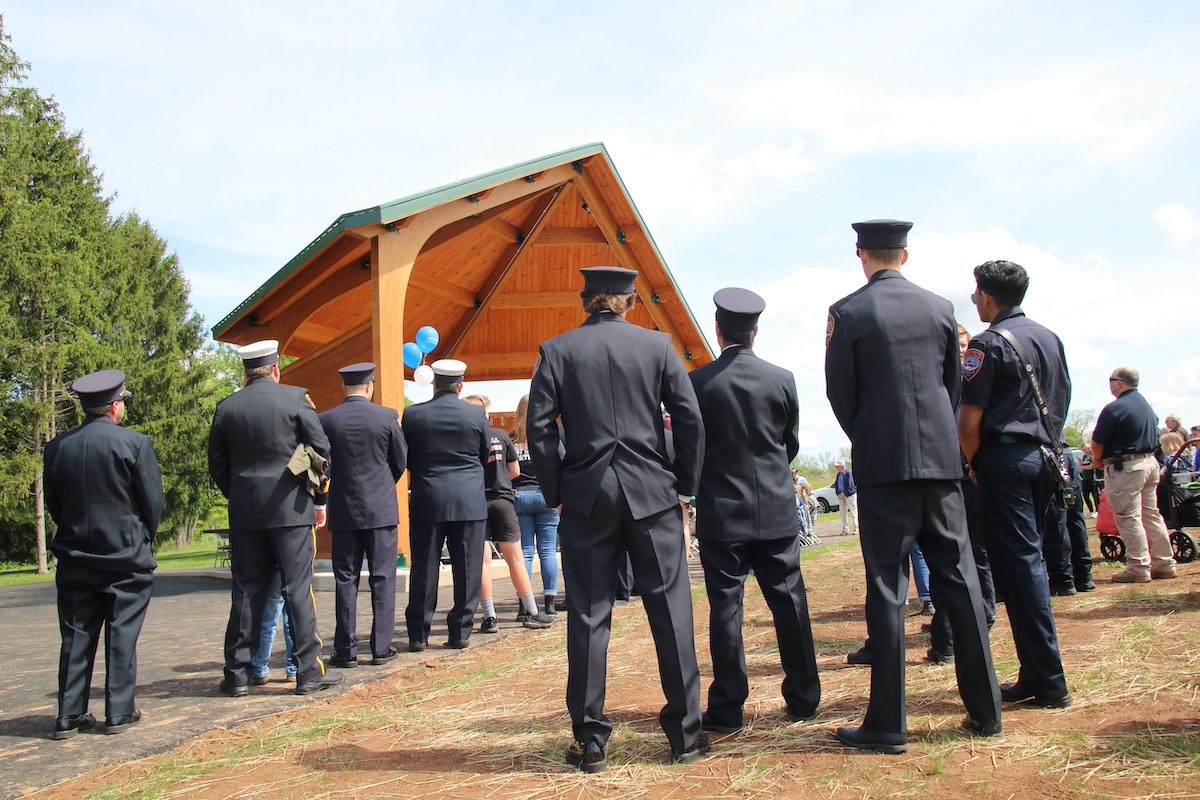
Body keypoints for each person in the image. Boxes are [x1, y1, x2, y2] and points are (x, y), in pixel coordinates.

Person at [826, 220, 1000, 754]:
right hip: (941, 462)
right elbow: (952, 384)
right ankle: (986, 709)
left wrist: (875, 437)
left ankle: (888, 722)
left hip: (884, 466)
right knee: (961, 580)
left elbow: (841, 395)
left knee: (886, 587)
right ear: (906, 253)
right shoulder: (941, 309)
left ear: (861, 254)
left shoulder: (847, 312)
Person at [528, 266, 708, 773]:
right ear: (629, 302)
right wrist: (685, 484)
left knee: (588, 614)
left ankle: (590, 739)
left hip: (586, 494)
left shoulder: (557, 351)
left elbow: (539, 428)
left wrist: (556, 490)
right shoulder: (657, 347)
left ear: (586, 300)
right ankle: (685, 736)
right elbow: (689, 417)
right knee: (671, 610)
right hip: (652, 492)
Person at [688, 287, 821, 734]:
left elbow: (692, 448)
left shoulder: (698, 382)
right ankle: (804, 697)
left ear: (718, 328)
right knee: (790, 604)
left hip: (722, 512)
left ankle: (727, 707)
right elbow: (791, 444)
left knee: (726, 608)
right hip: (775, 509)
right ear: (756, 331)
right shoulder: (782, 378)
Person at [959, 259, 1072, 711]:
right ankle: (1036, 671)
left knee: (1019, 570)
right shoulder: (1049, 337)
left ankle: (1048, 679)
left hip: (1005, 461)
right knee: (1031, 564)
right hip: (1047, 456)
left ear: (986, 297)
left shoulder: (986, 344)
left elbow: (969, 423)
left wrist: (972, 463)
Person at [208, 339, 342, 697]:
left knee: (246, 591)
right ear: (276, 369)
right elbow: (320, 451)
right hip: (291, 508)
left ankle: (237, 674)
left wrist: (239, 492)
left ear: (245, 372)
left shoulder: (226, 407)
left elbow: (217, 465)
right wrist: (319, 498)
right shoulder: (296, 398)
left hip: (245, 512)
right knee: (297, 589)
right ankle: (307, 673)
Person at [45, 370, 164, 738]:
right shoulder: (134, 444)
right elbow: (152, 501)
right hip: (125, 555)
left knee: (77, 636)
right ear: (114, 406)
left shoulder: (57, 447)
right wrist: (143, 535)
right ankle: (119, 710)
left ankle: (69, 714)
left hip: (76, 555)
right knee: (122, 634)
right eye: (122, 402)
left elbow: (54, 503)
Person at [319, 362, 408, 667]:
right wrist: (382, 485)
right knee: (383, 577)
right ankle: (381, 647)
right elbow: (400, 460)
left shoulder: (326, 420)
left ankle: (345, 650)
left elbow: (323, 466)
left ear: (344, 388)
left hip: (343, 509)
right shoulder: (386, 417)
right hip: (380, 510)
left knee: (346, 579)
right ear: (369, 387)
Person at [402, 359, 491, 651]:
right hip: (468, 499)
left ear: (435, 384)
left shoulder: (412, 415)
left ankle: (418, 635)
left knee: (425, 568)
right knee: (468, 569)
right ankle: (460, 632)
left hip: (428, 497)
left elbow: (409, 459)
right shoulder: (477, 415)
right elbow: (483, 454)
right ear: (460, 385)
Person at [463, 394, 555, 631]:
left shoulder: (464, 438)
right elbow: (513, 471)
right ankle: (532, 610)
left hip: (475, 501)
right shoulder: (500, 435)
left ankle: (489, 616)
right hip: (503, 500)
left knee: (482, 561)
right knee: (516, 557)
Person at [1091, 367, 1177, 583]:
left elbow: (1098, 441)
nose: (1109, 384)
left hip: (1127, 467)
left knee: (1129, 516)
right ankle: (1164, 563)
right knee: (1151, 515)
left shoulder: (1115, 408)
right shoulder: (1145, 406)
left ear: (1120, 382)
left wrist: (1097, 459)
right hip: (1149, 463)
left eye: (1111, 380)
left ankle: (1138, 567)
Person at [511, 394, 561, 616]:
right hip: (545, 496)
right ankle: (549, 601)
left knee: (525, 553)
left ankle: (526, 603)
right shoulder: (547, 437)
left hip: (519, 497)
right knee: (548, 551)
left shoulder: (510, 440)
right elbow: (560, 464)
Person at [249, 570, 295, 684]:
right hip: (294, 567)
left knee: (269, 622)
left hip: (275, 569)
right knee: (291, 622)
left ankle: (260, 669)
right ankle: (293, 668)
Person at [833, 461, 859, 534]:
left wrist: (846, 494)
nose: (836, 468)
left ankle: (856, 528)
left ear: (842, 466)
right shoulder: (839, 474)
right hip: (841, 495)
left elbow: (851, 485)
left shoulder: (848, 473)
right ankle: (845, 529)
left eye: (838, 466)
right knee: (843, 513)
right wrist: (838, 493)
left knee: (853, 511)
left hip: (850, 495)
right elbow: (836, 484)